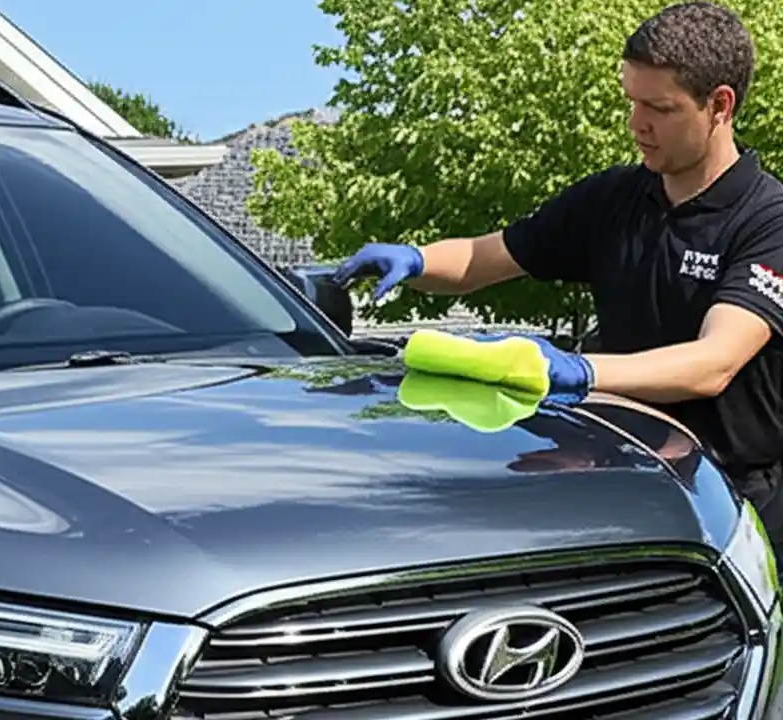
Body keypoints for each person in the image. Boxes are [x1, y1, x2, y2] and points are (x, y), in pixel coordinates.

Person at [335, 1, 783, 551]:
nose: (635, 124)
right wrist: (419, 261)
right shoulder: (614, 198)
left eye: (658, 108)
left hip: (732, 504)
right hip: (623, 483)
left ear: (719, 105)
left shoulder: (768, 220)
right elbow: (485, 258)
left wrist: (575, 370)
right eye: (631, 101)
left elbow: (713, 364)